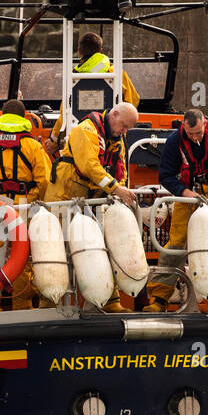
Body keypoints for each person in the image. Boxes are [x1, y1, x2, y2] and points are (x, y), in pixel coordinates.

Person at [46, 102, 139, 313]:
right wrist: (116, 189)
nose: (124, 132)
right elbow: (89, 166)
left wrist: (120, 189)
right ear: (114, 115)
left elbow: (119, 166)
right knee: (57, 249)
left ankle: (110, 300)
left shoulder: (116, 137)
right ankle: (50, 304)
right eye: (123, 126)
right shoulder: (85, 130)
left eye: (127, 129)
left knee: (104, 246)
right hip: (65, 195)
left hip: (94, 197)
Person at [146, 108, 208, 312]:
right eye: (191, 134)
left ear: (205, 124)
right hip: (188, 197)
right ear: (184, 128)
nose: (195, 137)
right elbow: (166, 176)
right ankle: (159, 298)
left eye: (198, 133)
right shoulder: (174, 141)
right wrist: (184, 192)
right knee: (175, 246)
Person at [0, 99, 53, 318]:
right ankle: (21, 308)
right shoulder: (33, 145)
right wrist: (37, 202)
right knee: (21, 258)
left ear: (2, 116)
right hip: (24, 205)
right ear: (23, 118)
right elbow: (44, 180)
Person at [47, 32, 140, 153]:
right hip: (112, 142)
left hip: (81, 139)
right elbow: (133, 101)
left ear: (79, 51)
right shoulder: (115, 72)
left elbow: (65, 113)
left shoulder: (74, 77)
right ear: (100, 50)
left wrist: (54, 142)